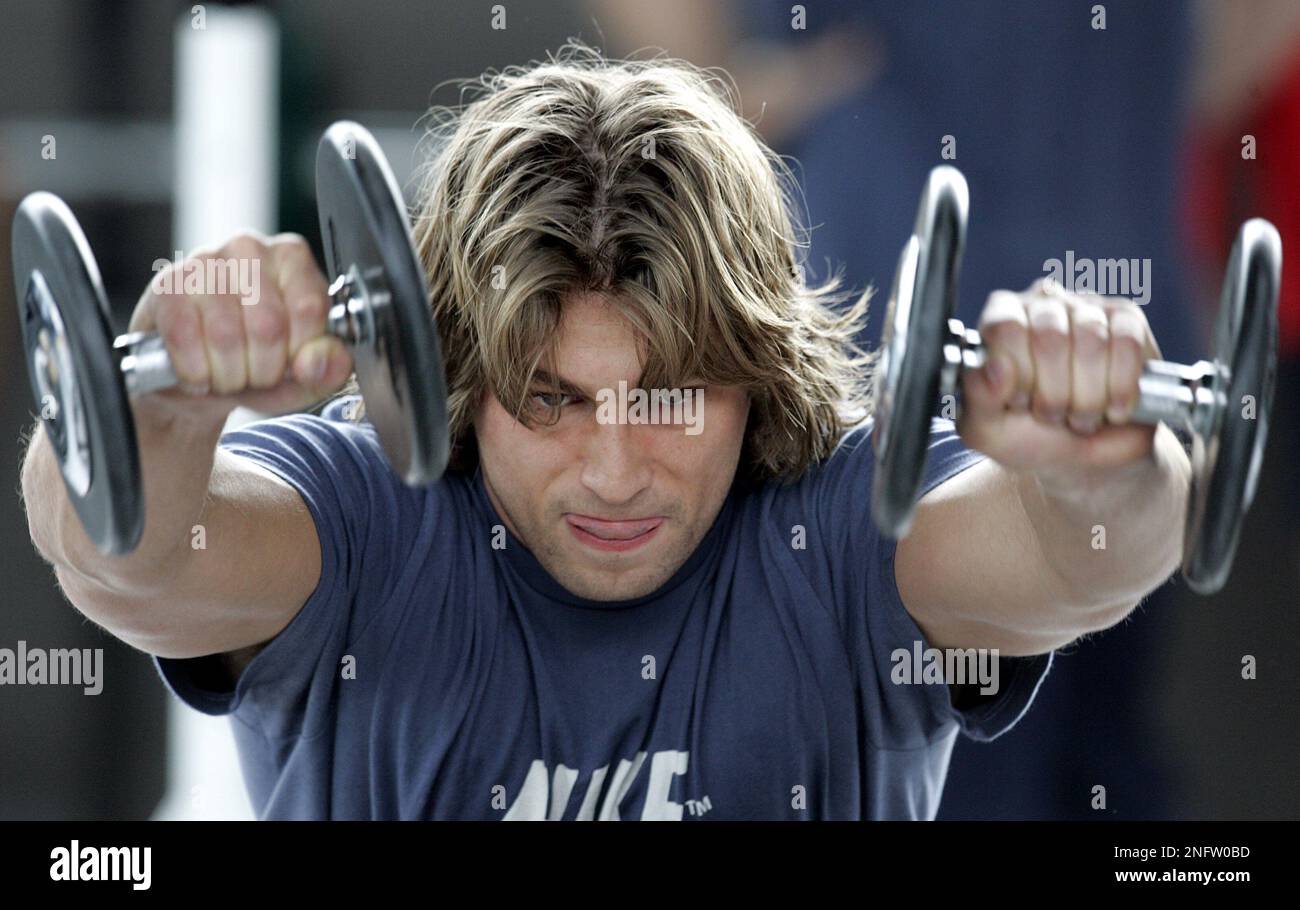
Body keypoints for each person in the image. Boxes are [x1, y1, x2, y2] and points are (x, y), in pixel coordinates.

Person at [20, 47, 1191, 820]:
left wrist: (1102, 464)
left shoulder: (840, 531)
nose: (618, 467)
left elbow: (1078, 563)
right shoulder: (368, 519)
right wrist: (161, 401)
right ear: (466, 382)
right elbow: (120, 554)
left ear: (755, 375)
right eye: (550, 399)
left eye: (675, 394)